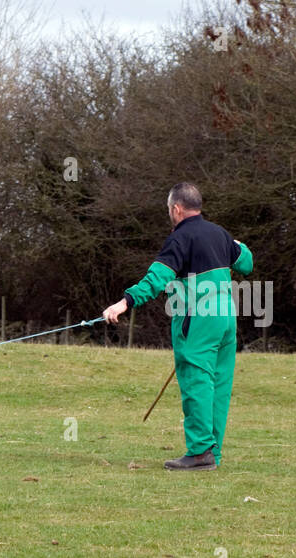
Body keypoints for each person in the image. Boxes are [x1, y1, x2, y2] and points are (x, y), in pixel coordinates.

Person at [103, 182, 254, 470]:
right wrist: (232, 243)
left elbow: (157, 278)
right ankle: (212, 453)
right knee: (217, 385)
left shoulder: (179, 239)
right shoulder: (220, 234)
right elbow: (246, 262)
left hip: (197, 318)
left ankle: (199, 453)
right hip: (226, 317)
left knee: (197, 383)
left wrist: (124, 303)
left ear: (176, 209)